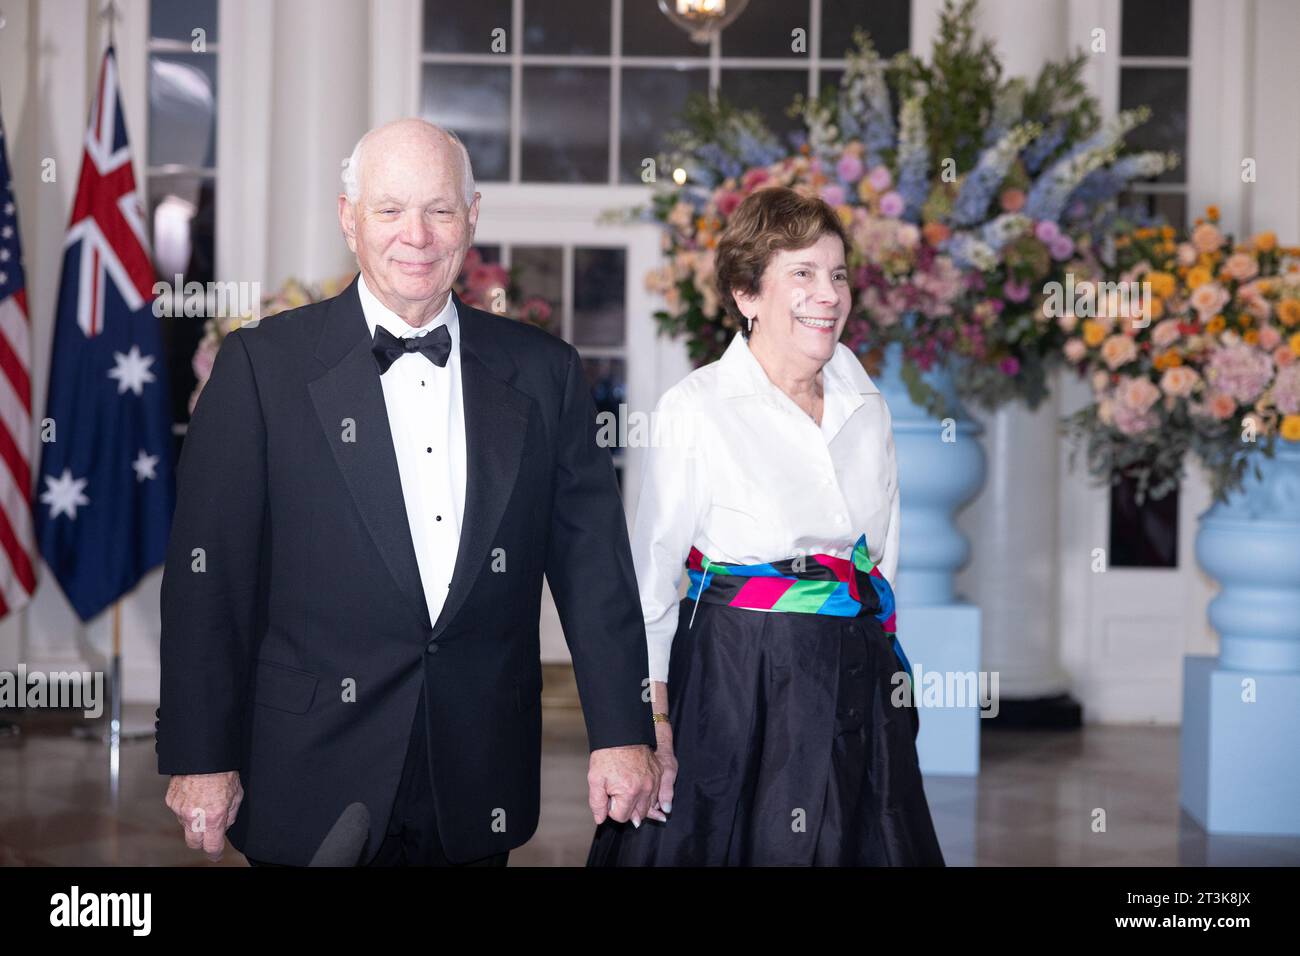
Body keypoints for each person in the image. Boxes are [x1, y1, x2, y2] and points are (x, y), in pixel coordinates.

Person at [157, 119, 659, 866]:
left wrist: (623, 732)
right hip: (308, 768)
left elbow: (595, 572)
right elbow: (209, 581)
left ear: (472, 218)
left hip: (477, 770)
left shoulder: (544, 373)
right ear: (348, 219)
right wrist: (201, 755)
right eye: (390, 209)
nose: (416, 235)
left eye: (440, 209)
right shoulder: (262, 368)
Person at [588, 186, 945, 866]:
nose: (829, 293)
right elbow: (652, 587)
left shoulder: (866, 401)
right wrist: (654, 726)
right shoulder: (696, 408)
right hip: (737, 681)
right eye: (803, 273)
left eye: (838, 274)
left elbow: (880, 557)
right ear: (747, 295)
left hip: (857, 679)